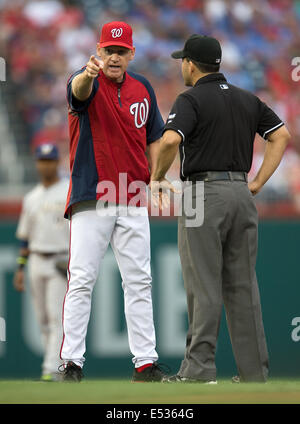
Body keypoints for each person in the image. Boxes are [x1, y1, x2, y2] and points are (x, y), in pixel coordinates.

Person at [151, 34, 291, 383]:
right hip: (242, 193)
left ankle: (199, 370)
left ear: (191, 64)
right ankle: (253, 373)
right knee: (243, 286)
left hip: (202, 193)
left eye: (182, 60)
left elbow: (170, 140)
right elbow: (281, 135)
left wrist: (155, 176)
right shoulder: (247, 98)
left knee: (203, 284)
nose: (181, 65)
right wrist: (256, 182)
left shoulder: (190, 99)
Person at [60, 21, 169, 382]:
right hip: (93, 193)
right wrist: (87, 74)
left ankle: (145, 363)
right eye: (109, 50)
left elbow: (155, 137)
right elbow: (78, 92)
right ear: (99, 51)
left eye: (121, 51)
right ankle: (71, 363)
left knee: (139, 281)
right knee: (82, 279)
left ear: (131, 53)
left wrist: (156, 177)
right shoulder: (86, 80)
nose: (114, 57)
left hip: (134, 195)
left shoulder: (143, 88)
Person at [14, 143, 69, 382]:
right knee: (43, 319)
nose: (45, 164)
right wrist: (19, 268)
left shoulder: (68, 190)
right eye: (42, 160)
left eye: (50, 160)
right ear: (37, 163)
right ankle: (54, 365)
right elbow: (25, 238)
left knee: (56, 316)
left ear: (57, 162)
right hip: (37, 259)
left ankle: (51, 368)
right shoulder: (31, 198)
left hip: (60, 257)